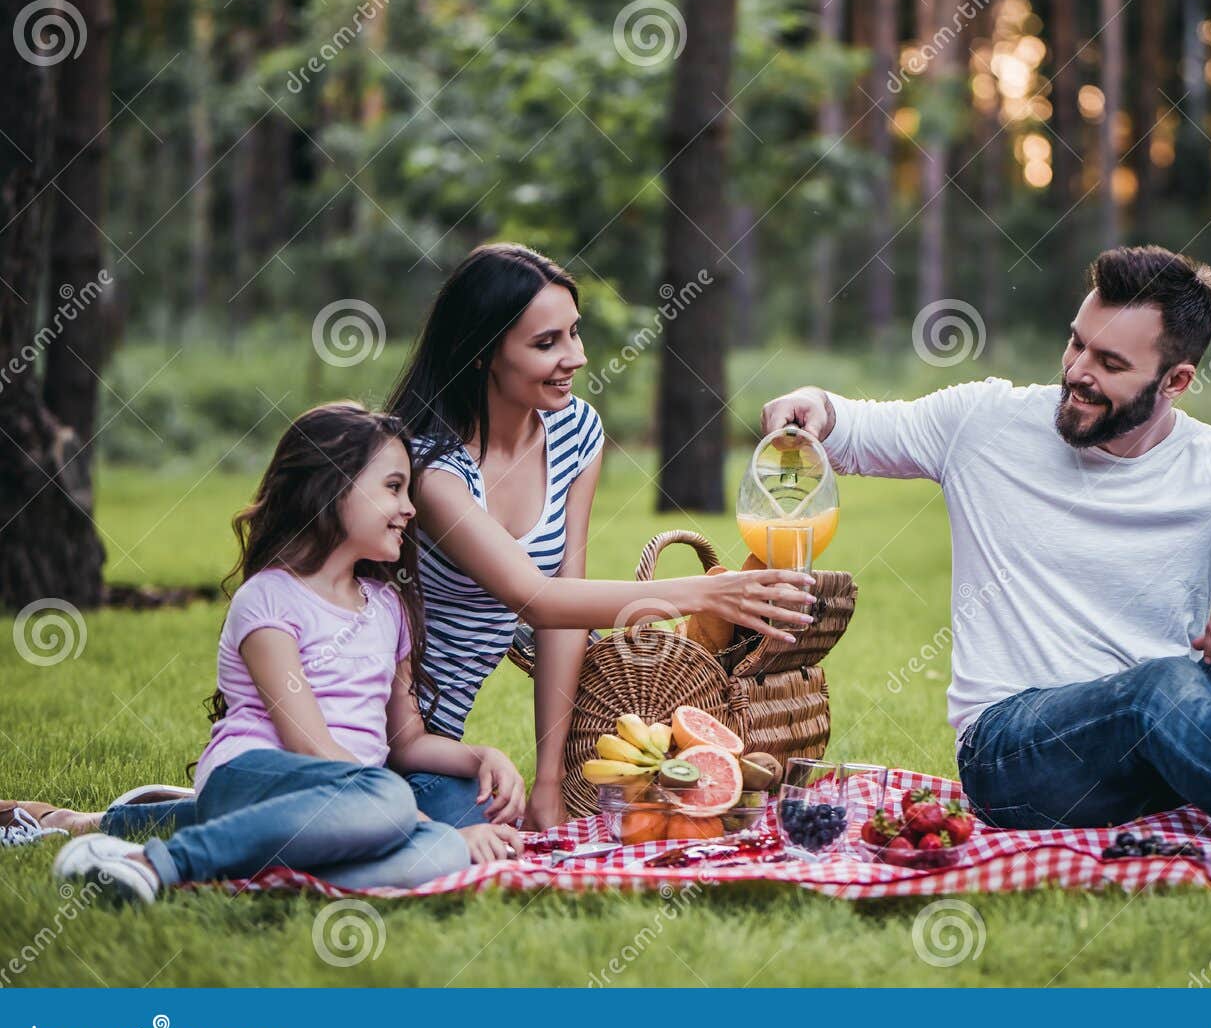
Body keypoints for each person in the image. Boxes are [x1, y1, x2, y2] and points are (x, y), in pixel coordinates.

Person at [20, 244, 816, 841]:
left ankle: (183, 808)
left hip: (427, 740)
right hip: (352, 732)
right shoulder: (430, 470)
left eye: (574, 334)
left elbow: (562, 617)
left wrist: (548, 777)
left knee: (483, 822)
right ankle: (115, 823)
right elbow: (533, 595)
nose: (574, 358)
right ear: (485, 352)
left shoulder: (577, 433)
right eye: (547, 343)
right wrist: (704, 591)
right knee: (415, 827)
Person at [760, 245, 1211, 865]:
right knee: (1161, 684)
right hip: (1016, 755)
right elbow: (851, 427)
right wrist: (811, 403)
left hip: (1170, 743)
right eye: (1077, 344)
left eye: (1110, 363)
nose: (1077, 372)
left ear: (1175, 381)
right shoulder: (983, 422)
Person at [52, 403, 523, 900]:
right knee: (395, 800)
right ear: (332, 486)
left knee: (445, 853)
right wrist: (416, 818)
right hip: (253, 779)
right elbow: (309, 745)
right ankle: (154, 862)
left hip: (347, 802)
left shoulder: (389, 606)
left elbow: (406, 742)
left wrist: (480, 757)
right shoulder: (268, 599)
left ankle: (239, 873)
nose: (409, 507)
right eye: (393, 487)